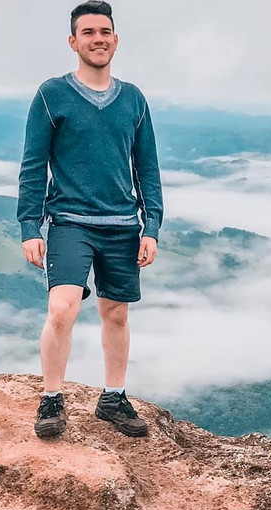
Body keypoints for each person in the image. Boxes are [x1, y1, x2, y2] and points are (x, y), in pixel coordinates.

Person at [17, 1, 163, 439]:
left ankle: (113, 398)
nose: (97, 39)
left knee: (115, 313)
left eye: (105, 32)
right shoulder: (52, 95)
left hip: (122, 223)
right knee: (61, 309)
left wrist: (151, 226)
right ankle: (51, 400)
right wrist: (29, 226)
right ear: (73, 41)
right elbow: (33, 164)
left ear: (115, 40)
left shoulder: (133, 99)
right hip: (69, 222)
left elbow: (148, 168)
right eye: (88, 32)